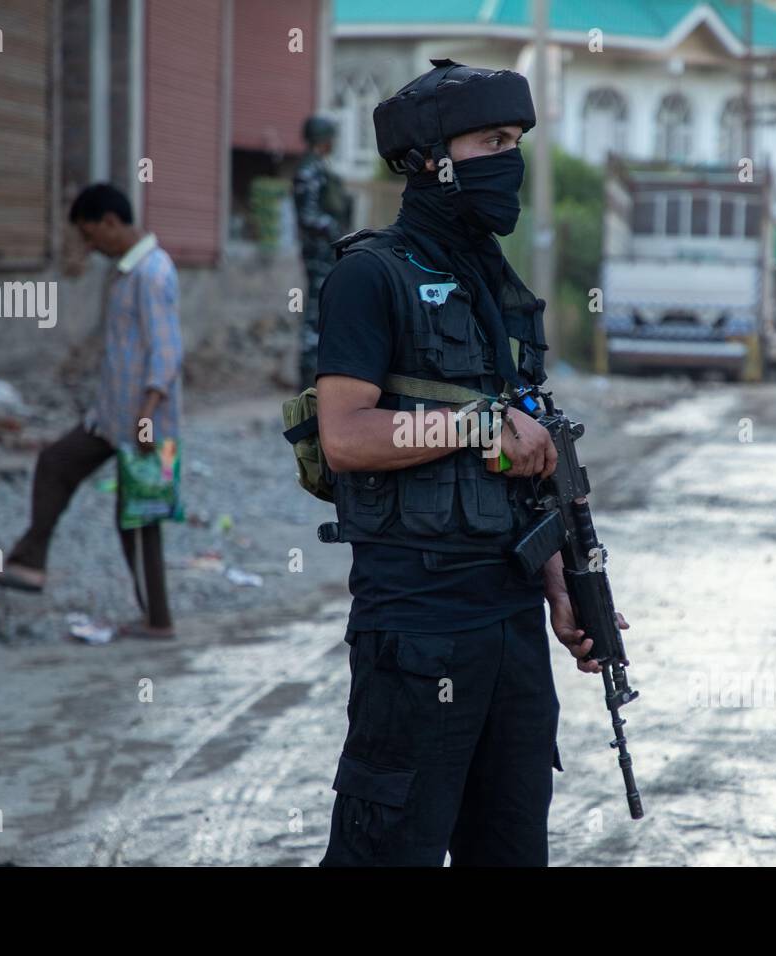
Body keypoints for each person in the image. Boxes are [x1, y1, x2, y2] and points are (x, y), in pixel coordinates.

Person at [313, 58, 625, 867]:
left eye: (517, 139)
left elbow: (533, 467)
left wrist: (564, 592)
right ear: (430, 159)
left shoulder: (500, 290)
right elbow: (344, 435)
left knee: (511, 850)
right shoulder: (369, 276)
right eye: (492, 139)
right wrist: (480, 424)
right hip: (417, 634)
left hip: (511, 632)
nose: (510, 158)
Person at [0, 184, 182, 640]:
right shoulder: (126, 273)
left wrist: (147, 415)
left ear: (111, 222)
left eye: (91, 235)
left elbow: (166, 354)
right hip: (111, 419)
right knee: (55, 463)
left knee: (139, 520)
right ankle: (30, 563)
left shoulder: (153, 273)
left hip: (146, 424)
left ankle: (158, 621)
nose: (90, 246)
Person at [292, 115, 352, 389]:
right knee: (316, 313)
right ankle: (308, 377)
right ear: (323, 140)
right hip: (318, 254)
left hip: (326, 252)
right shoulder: (308, 170)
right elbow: (307, 216)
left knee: (324, 310)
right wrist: (334, 232)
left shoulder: (319, 167)